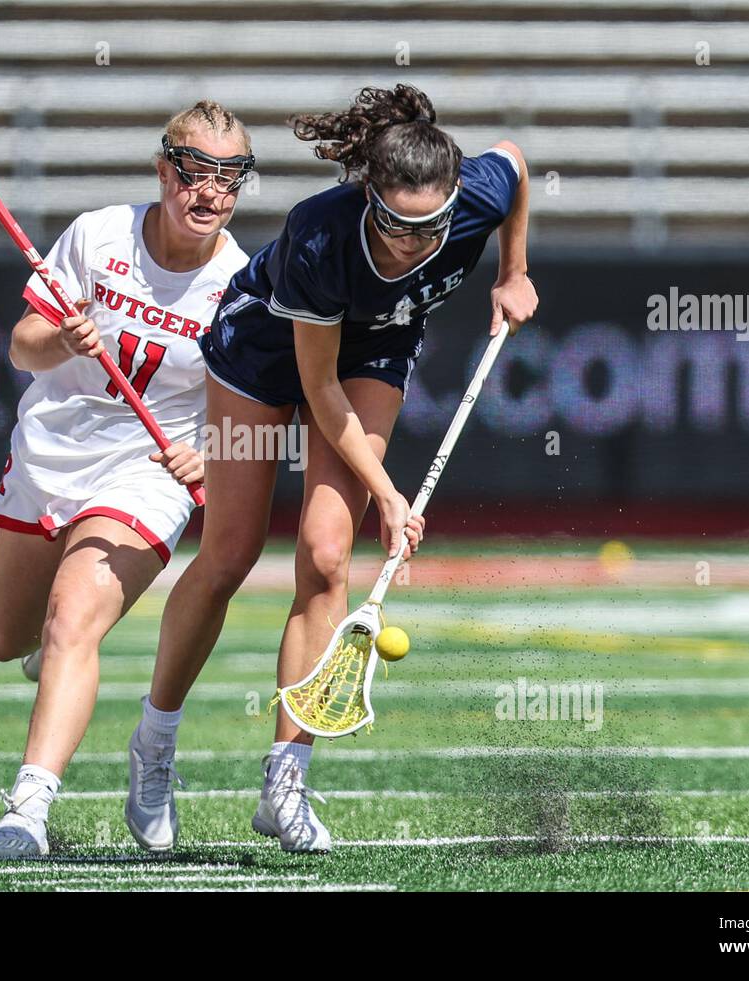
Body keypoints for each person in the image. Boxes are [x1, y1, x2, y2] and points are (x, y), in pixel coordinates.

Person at [145, 84, 538, 852]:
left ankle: (285, 779)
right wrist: (390, 494)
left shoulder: (472, 200)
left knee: (327, 558)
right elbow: (317, 389)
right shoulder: (321, 237)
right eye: (393, 223)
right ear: (368, 197)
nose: (413, 242)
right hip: (263, 353)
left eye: (430, 227)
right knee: (228, 553)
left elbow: (516, 164)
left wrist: (511, 270)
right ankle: (155, 745)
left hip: (373, 351)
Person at [0, 102, 255, 857]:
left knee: (73, 617)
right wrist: (63, 336)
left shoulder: (242, 286)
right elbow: (22, 348)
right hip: (50, 454)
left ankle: (26, 811)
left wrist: (213, 454)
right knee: (9, 638)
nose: (211, 194)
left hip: (146, 474)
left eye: (231, 179)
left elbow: (258, 411)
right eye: (197, 172)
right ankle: (49, 655)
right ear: (166, 169)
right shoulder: (99, 235)